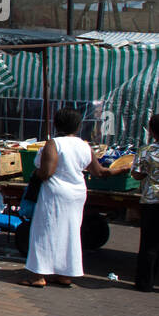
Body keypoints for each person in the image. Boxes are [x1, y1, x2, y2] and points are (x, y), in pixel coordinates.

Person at [22, 108, 127, 288]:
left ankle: (37, 276)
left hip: (56, 193)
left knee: (44, 232)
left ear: (56, 124)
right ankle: (64, 274)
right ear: (78, 126)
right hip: (77, 193)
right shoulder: (83, 145)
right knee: (69, 233)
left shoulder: (54, 144)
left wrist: (35, 172)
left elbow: (47, 172)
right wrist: (122, 169)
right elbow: (100, 172)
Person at [133, 113, 159, 293]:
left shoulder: (146, 150)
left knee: (149, 243)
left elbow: (137, 174)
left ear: (151, 130)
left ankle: (144, 283)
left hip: (151, 200)